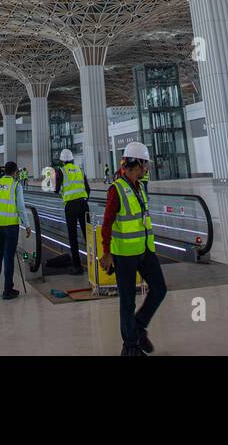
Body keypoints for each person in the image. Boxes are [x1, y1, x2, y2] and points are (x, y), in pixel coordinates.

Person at [101, 142, 167, 356]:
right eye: (144, 164)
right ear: (136, 162)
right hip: (124, 255)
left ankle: (138, 327)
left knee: (160, 288)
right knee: (127, 300)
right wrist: (107, 252)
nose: (146, 168)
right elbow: (107, 223)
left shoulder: (138, 186)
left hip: (144, 250)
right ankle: (130, 347)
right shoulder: (116, 189)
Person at [0, 161, 31, 300]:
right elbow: (21, 208)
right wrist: (27, 225)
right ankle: (8, 290)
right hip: (11, 227)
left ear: (4, 171)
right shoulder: (16, 185)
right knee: (9, 258)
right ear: (15, 172)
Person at [53, 148, 91, 274]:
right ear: (72, 159)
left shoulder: (61, 171)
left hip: (71, 206)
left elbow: (56, 189)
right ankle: (95, 265)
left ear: (62, 161)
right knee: (89, 236)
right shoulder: (80, 170)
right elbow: (88, 189)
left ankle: (77, 267)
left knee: (73, 236)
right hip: (84, 204)